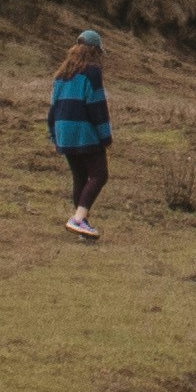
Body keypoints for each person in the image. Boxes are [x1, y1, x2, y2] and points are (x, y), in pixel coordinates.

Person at [48, 28, 112, 242]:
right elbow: (97, 108)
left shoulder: (61, 75)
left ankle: (81, 226)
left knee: (80, 177)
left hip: (63, 132)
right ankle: (78, 220)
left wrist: (55, 135)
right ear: (94, 51)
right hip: (83, 132)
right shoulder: (92, 73)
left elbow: (52, 109)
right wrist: (106, 137)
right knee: (99, 174)